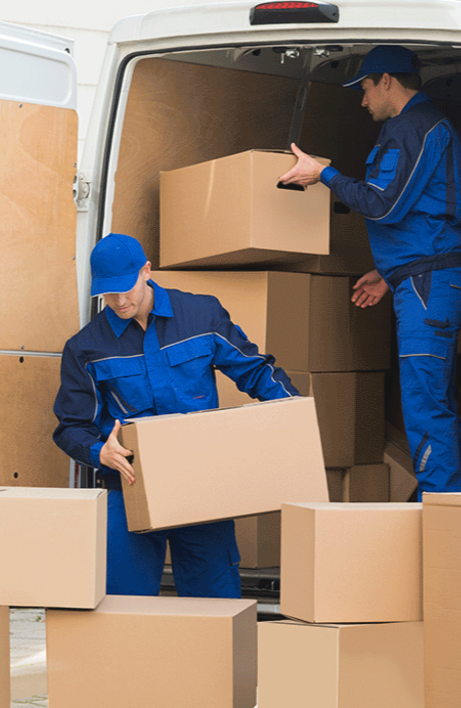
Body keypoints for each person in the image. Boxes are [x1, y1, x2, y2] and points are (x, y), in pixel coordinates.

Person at [278, 45, 461, 496]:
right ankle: (446, 506)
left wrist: (323, 174)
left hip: (430, 286)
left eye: (366, 88)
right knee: (433, 400)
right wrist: (389, 274)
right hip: (432, 278)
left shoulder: (410, 127)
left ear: (387, 81)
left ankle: (439, 510)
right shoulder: (438, 127)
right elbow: (431, 212)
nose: (363, 100)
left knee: (425, 405)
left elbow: (382, 204)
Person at [53, 233, 300, 598]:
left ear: (146, 271)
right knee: (123, 602)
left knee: (214, 601)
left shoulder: (201, 315)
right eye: (108, 293)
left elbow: (255, 371)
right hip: (130, 485)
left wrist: (294, 416)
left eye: (126, 289)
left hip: (202, 483)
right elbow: (71, 426)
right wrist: (98, 452)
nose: (120, 302)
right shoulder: (86, 347)